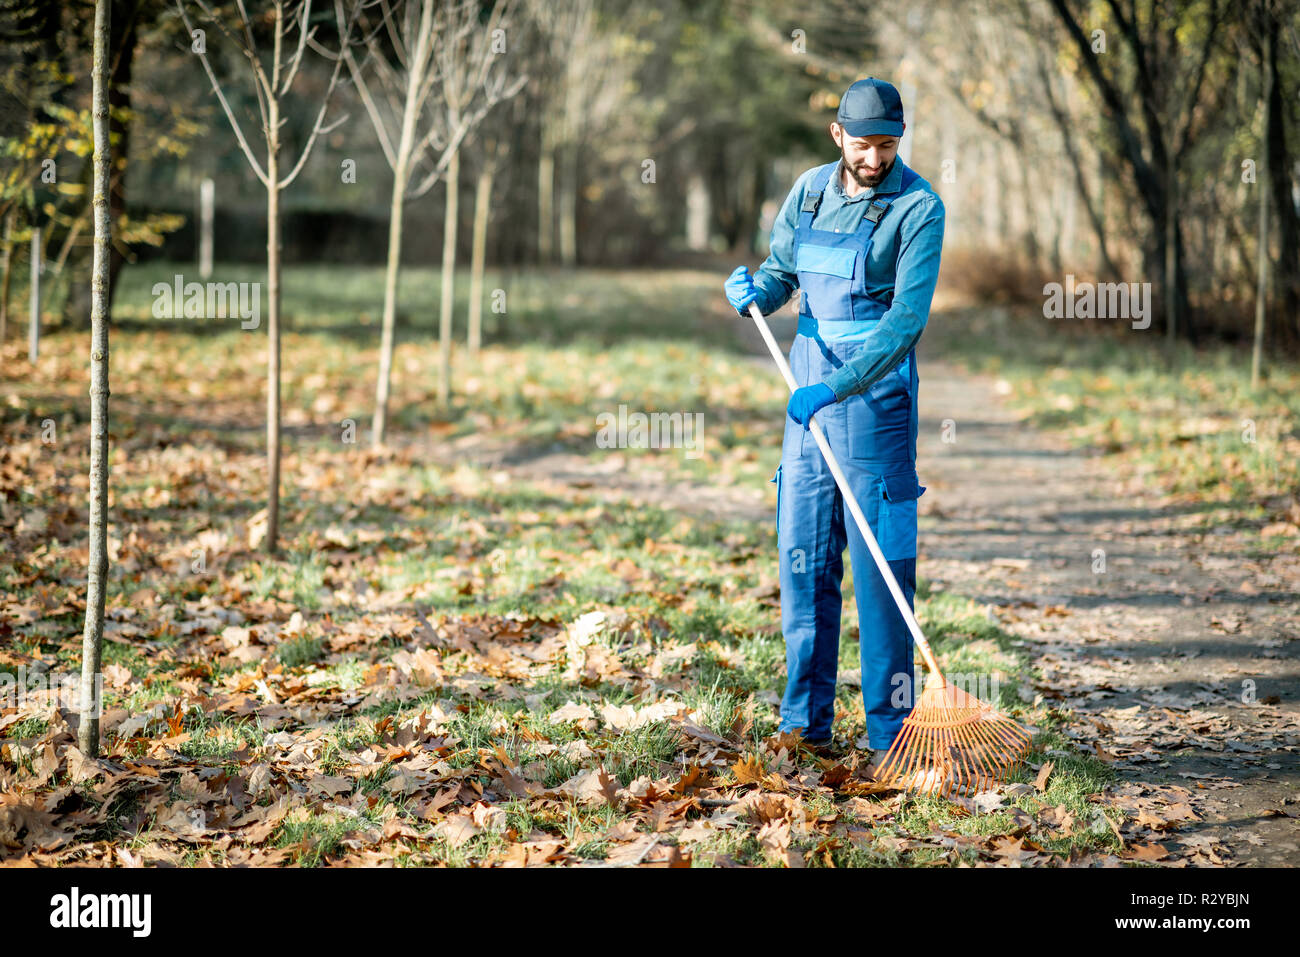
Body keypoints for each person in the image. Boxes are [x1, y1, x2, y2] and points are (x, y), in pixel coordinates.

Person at [723, 77, 945, 770]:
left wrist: (838, 387)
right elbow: (785, 269)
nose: (875, 158)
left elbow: (906, 322)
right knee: (804, 555)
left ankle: (891, 735)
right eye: (863, 144)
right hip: (807, 388)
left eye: (887, 145)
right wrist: (757, 292)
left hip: (874, 405)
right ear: (837, 135)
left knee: (881, 572)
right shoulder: (811, 190)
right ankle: (804, 725)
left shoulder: (920, 208)